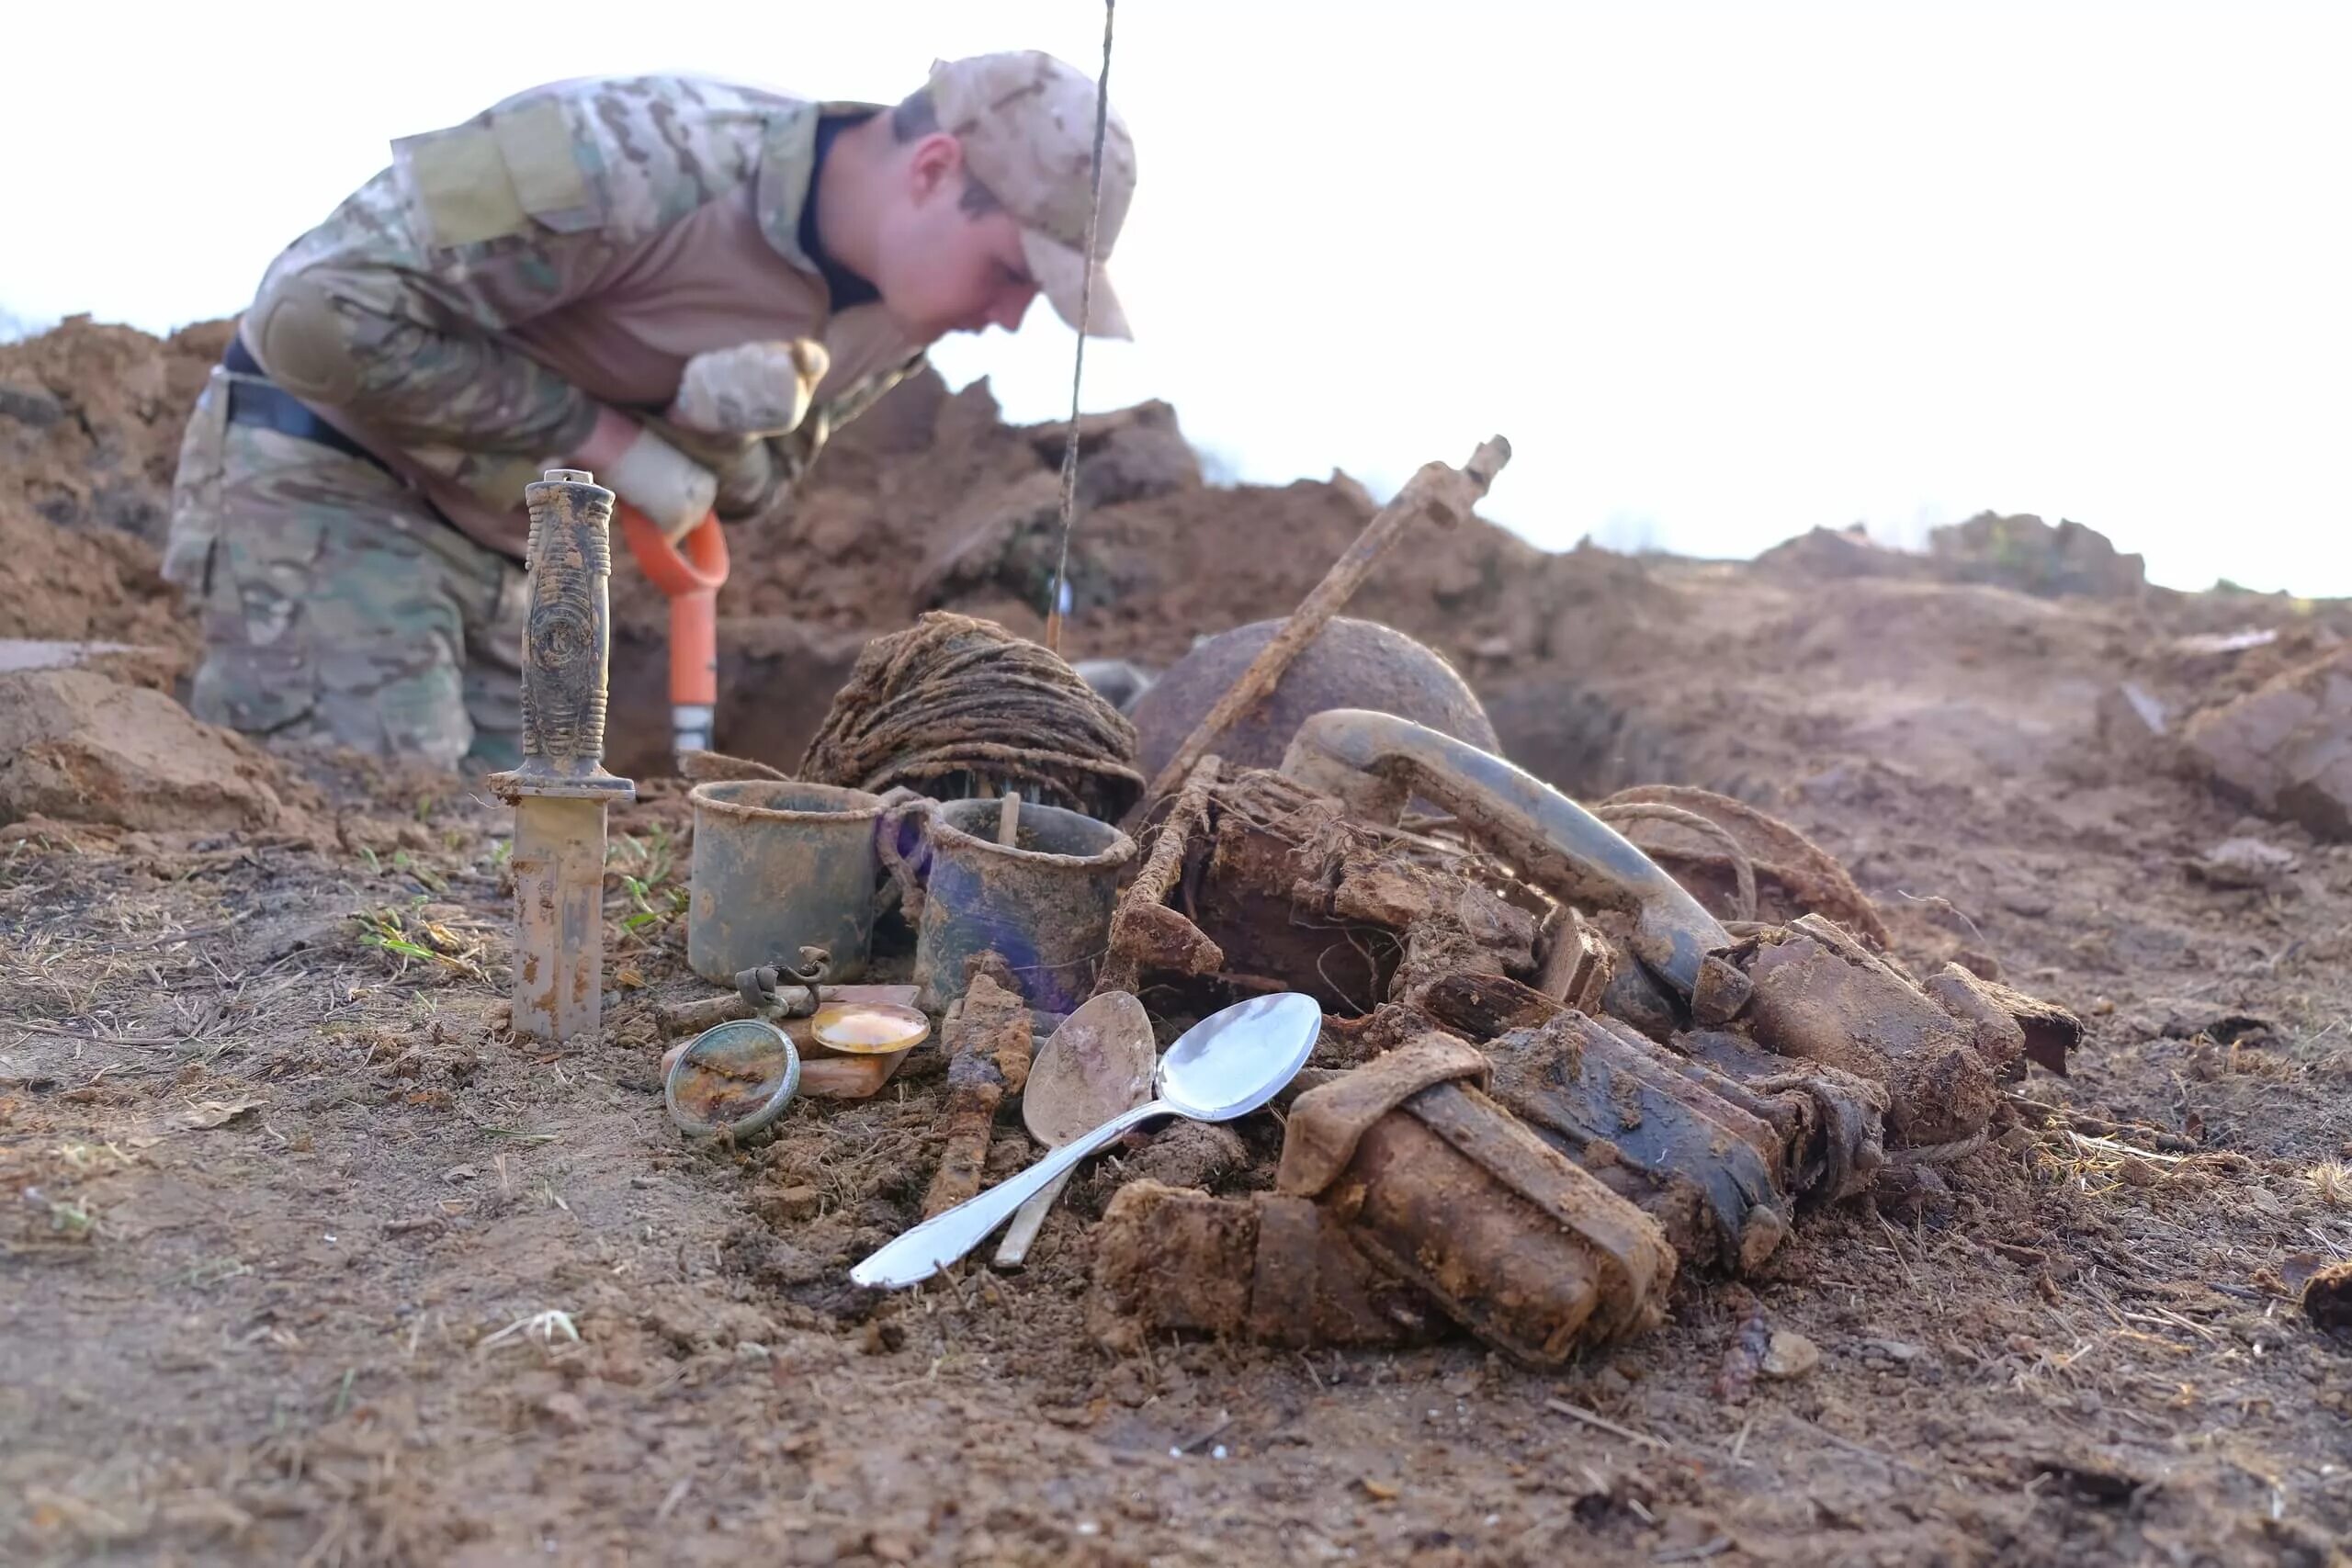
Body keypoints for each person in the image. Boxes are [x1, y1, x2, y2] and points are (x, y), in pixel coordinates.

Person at [163, 51, 1135, 773]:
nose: (1010, 317)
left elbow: (746, 490)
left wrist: (709, 423)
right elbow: (313, 318)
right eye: (1011, 272)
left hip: (517, 552)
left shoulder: (899, 318)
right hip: (331, 482)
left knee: (504, 864)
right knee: (366, 839)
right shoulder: (643, 156)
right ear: (932, 170)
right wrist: (604, 439)